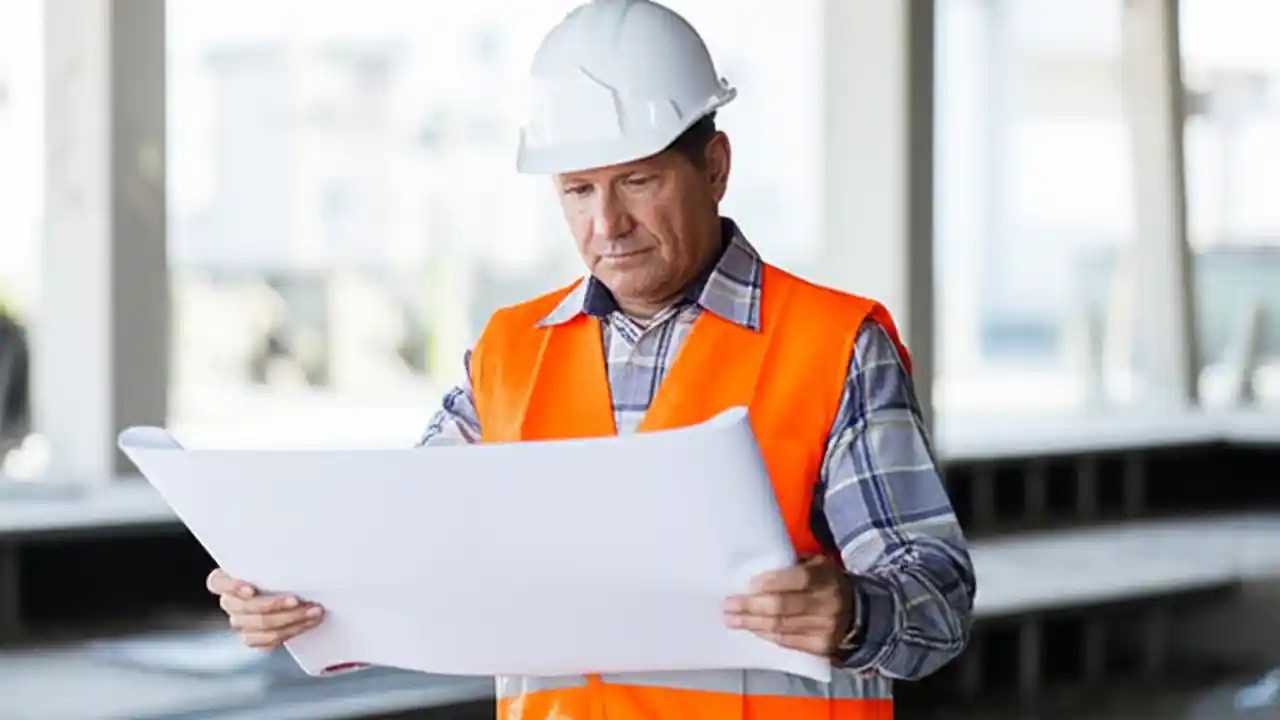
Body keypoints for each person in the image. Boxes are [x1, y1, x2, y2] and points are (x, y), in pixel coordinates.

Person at [206, 1, 976, 717]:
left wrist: (854, 613)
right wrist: (290, 596)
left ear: (714, 167)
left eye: (637, 182)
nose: (607, 224)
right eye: (578, 190)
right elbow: (406, 556)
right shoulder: (507, 354)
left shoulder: (835, 347)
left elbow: (937, 602)